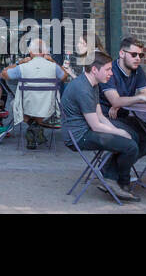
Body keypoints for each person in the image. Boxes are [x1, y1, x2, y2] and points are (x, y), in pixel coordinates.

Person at [60, 51, 140, 202]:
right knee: (130, 146)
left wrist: (119, 132)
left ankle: (111, 176)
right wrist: (118, 132)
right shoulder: (83, 89)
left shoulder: (93, 84)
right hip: (79, 136)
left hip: (87, 129)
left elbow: (101, 116)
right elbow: (96, 125)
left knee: (132, 135)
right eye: (108, 69)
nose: (111, 73)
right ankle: (121, 184)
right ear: (95, 70)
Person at [0, 38, 74, 148]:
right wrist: (52, 61)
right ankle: (37, 128)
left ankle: (32, 128)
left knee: (17, 103)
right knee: (39, 106)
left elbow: (4, 74)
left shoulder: (22, 67)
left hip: (26, 109)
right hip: (49, 110)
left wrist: (18, 62)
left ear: (30, 52)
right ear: (45, 52)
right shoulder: (53, 67)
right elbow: (64, 76)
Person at [100, 36, 146, 160]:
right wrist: (132, 99)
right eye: (134, 54)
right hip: (105, 117)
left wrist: (121, 103)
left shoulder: (138, 71)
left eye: (140, 55)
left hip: (123, 116)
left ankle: (114, 167)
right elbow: (116, 100)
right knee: (132, 137)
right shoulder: (109, 70)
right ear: (122, 53)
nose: (138, 59)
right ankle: (110, 169)